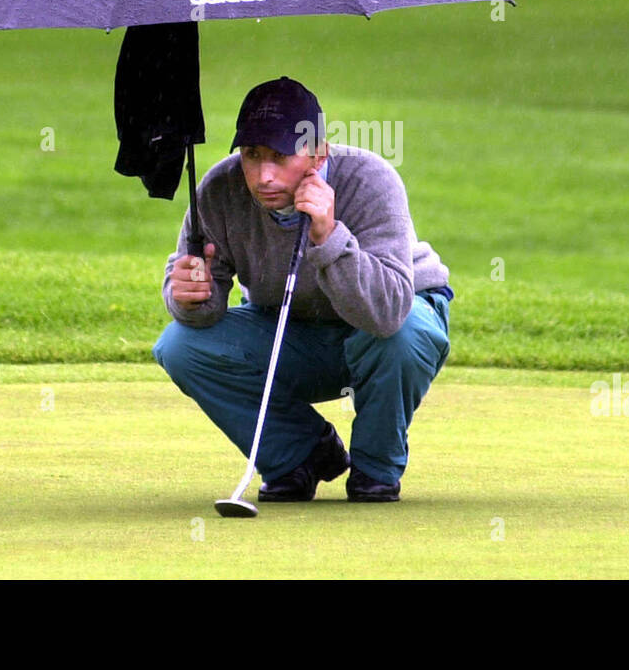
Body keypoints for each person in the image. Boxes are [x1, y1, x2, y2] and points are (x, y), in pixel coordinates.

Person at [152, 76, 453, 502]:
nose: (264, 175)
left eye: (280, 156)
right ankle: (300, 455)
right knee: (179, 346)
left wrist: (328, 235)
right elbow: (205, 308)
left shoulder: (370, 180)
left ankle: (375, 469)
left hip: (394, 322)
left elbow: (387, 313)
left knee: (400, 337)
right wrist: (188, 296)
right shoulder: (219, 189)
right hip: (292, 328)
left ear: (319, 153)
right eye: (252, 155)